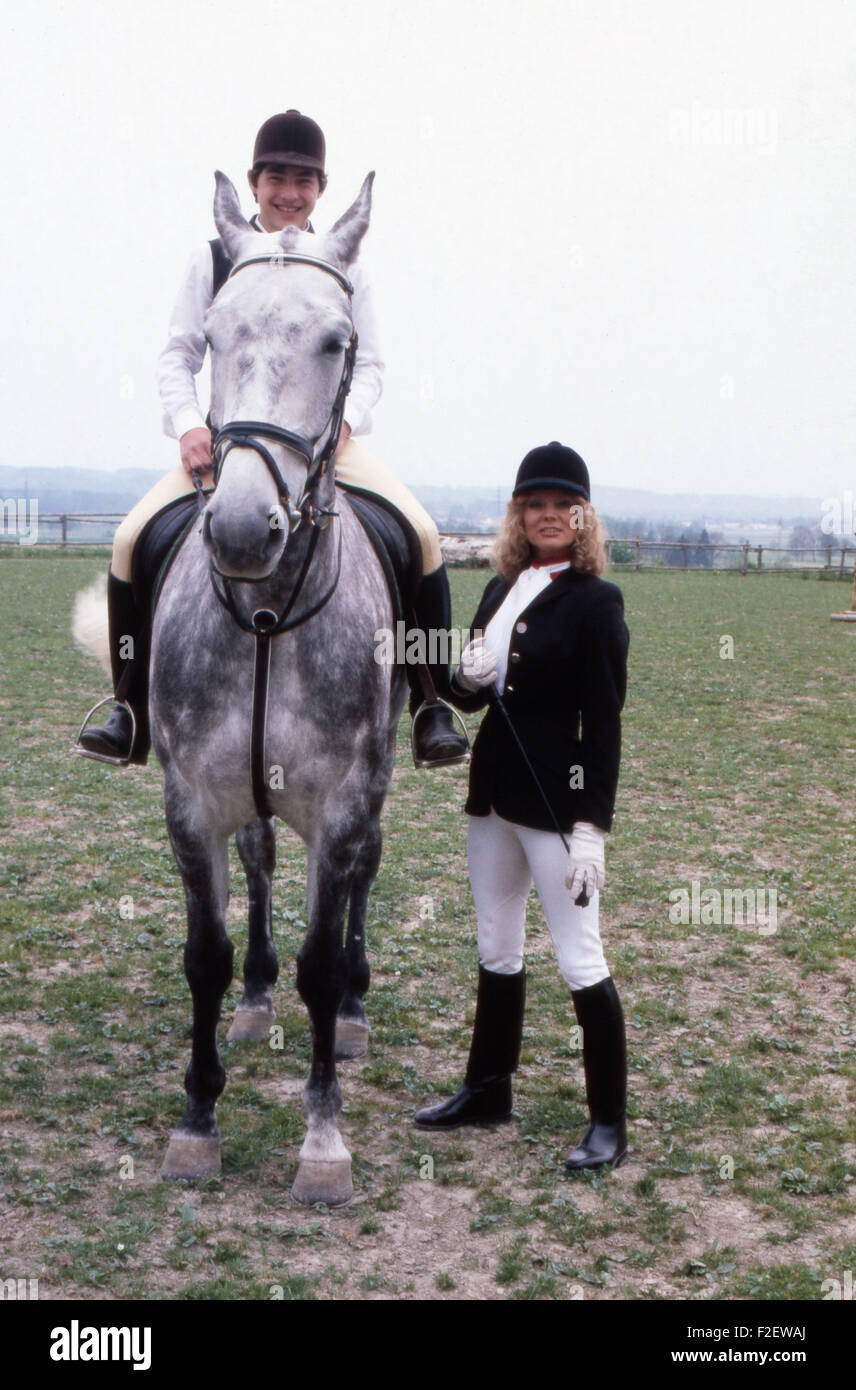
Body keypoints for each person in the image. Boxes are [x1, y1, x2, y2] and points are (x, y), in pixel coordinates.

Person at [77, 109, 467, 769]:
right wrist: (190, 425)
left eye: (305, 181)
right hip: (230, 450)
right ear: (256, 183)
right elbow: (177, 356)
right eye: (277, 178)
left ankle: (431, 702)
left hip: (325, 446)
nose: (290, 193)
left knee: (422, 534)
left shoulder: (343, 262)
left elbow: (369, 363)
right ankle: (128, 704)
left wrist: (347, 421)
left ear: (321, 189)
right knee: (129, 539)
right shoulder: (215, 257)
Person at [414, 442, 630, 1172]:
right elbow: (472, 692)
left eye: (559, 505)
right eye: (531, 505)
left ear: (582, 517)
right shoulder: (501, 587)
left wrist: (592, 826)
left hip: (557, 806)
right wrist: (465, 677)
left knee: (580, 955)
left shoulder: (597, 603)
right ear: (518, 515)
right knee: (496, 945)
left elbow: (603, 726)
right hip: (494, 795)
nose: (545, 516)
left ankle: (608, 1122)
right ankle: (488, 1087)